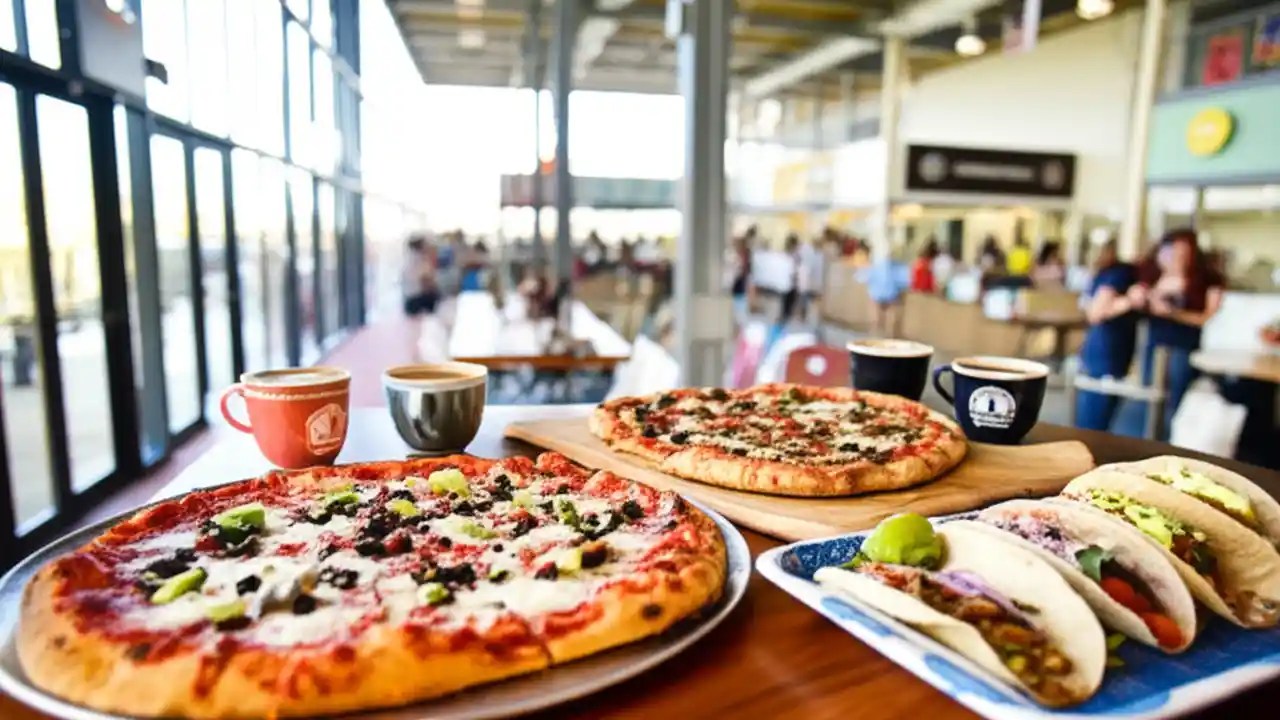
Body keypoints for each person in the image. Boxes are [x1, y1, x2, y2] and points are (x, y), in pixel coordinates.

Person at [1135, 228, 1225, 437]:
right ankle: (1151, 439)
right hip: (1155, 342)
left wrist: (1174, 313)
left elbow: (1205, 317)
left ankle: (1171, 440)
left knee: (1176, 397)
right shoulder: (1154, 275)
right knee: (1151, 394)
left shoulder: (1207, 279)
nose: (1178, 256)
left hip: (1183, 345)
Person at [1075, 239, 1142, 431]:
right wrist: (1130, 301)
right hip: (1106, 352)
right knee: (1094, 417)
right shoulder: (1114, 275)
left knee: (1094, 415)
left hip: (1107, 351)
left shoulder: (1117, 274)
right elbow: (1096, 312)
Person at [401, 236, 439, 316]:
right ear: (421, 246)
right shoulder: (420, 261)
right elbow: (426, 282)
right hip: (417, 301)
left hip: (408, 302)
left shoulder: (407, 259)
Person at [796, 235, 826, 324]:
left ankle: (803, 316)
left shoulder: (813, 255)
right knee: (812, 300)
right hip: (817, 282)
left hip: (811, 281)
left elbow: (808, 268)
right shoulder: (821, 256)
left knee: (805, 298)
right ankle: (810, 317)